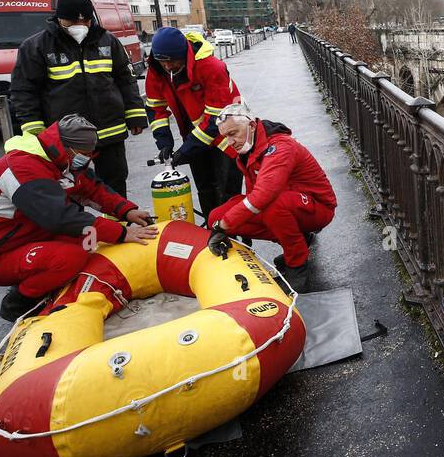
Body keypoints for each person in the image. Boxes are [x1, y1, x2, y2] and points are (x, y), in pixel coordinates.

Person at [0, 115, 158, 321]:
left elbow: (91, 189)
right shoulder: (23, 167)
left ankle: (53, 285)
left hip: (31, 238)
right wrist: (122, 233)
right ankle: (19, 303)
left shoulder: (60, 160)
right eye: (84, 155)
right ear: (67, 147)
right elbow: (60, 218)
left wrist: (127, 211)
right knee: (70, 258)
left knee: (88, 242)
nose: (86, 160)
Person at [9, 0, 148, 199]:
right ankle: (77, 230)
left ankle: (120, 227)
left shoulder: (107, 41)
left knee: (115, 185)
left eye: (85, 20)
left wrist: (135, 114)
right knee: (68, 188)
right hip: (65, 139)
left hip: (110, 130)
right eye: (73, 20)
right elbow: (24, 90)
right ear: (59, 19)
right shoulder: (37, 47)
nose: (80, 25)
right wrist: (34, 128)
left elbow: (126, 80)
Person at [205, 102, 336, 292]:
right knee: (217, 216)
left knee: (270, 205)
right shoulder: (248, 148)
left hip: (317, 208)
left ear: (251, 125)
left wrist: (224, 226)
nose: (230, 142)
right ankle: (296, 240)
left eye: (233, 134)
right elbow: (253, 197)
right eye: (226, 137)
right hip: (291, 204)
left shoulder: (280, 147)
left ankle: (297, 265)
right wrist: (222, 223)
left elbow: (263, 194)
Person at [144, 26, 243, 218]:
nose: (168, 66)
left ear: (183, 54)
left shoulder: (210, 67)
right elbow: (156, 109)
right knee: (205, 189)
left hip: (228, 133)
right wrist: (164, 143)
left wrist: (186, 150)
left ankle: (237, 235)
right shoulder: (157, 70)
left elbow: (216, 119)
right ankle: (212, 233)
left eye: (172, 61)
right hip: (196, 132)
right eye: (163, 61)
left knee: (228, 192)